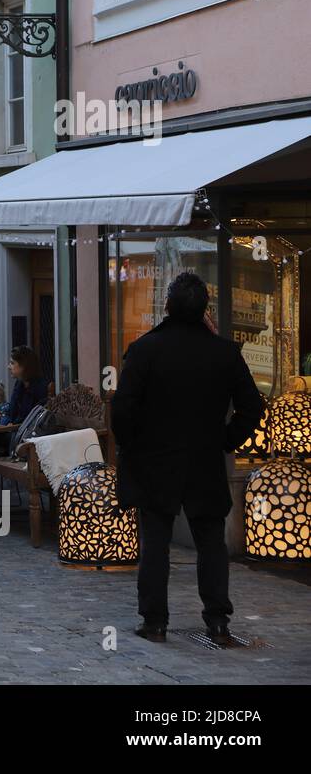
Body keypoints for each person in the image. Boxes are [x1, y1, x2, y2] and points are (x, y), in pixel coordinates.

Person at [112, 272, 264, 645]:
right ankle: (217, 621)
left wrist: (132, 446)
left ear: (166, 305)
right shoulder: (224, 353)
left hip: (155, 461)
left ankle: (155, 622)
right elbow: (251, 406)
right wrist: (226, 440)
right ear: (204, 309)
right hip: (204, 460)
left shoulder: (146, 349)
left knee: (155, 544)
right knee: (211, 544)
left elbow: (123, 411)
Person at [6, 346, 49, 425]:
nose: (8, 367)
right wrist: (8, 422)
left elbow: (33, 418)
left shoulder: (40, 387)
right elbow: (10, 413)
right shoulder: (19, 384)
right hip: (14, 430)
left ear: (23, 366)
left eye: (12, 363)